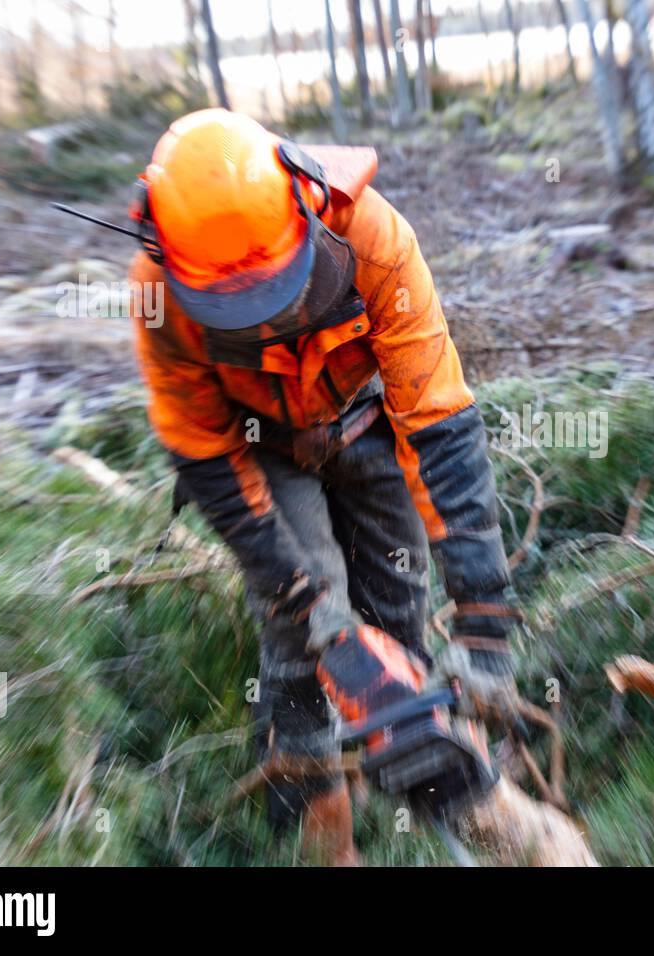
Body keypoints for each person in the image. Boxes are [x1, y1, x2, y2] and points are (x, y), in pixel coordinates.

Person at [126, 108, 516, 852]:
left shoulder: (371, 235)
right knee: (305, 630)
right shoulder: (159, 296)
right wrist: (306, 602)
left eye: (270, 291)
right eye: (236, 306)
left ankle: (420, 783)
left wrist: (484, 610)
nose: (264, 318)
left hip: (366, 418)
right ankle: (309, 807)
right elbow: (206, 457)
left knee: (398, 604)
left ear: (305, 198)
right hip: (260, 442)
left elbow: (437, 424)